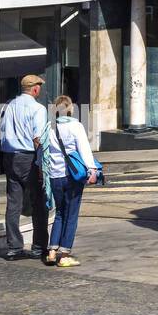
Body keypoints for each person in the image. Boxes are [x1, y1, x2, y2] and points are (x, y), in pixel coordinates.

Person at [44, 96, 99, 268]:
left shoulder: (49, 127)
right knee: (71, 215)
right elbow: (84, 149)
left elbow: (43, 152)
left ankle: (52, 251)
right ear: (70, 110)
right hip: (72, 176)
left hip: (54, 176)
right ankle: (64, 254)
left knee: (60, 213)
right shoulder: (75, 126)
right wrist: (92, 170)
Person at [1, 74, 49, 261]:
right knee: (39, 202)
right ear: (35, 89)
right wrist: (41, 164)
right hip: (28, 157)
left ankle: (14, 247)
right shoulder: (37, 108)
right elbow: (38, 138)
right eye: (40, 87)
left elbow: (2, 130)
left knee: (13, 202)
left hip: (9, 156)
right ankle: (39, 247)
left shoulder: (9, 105)